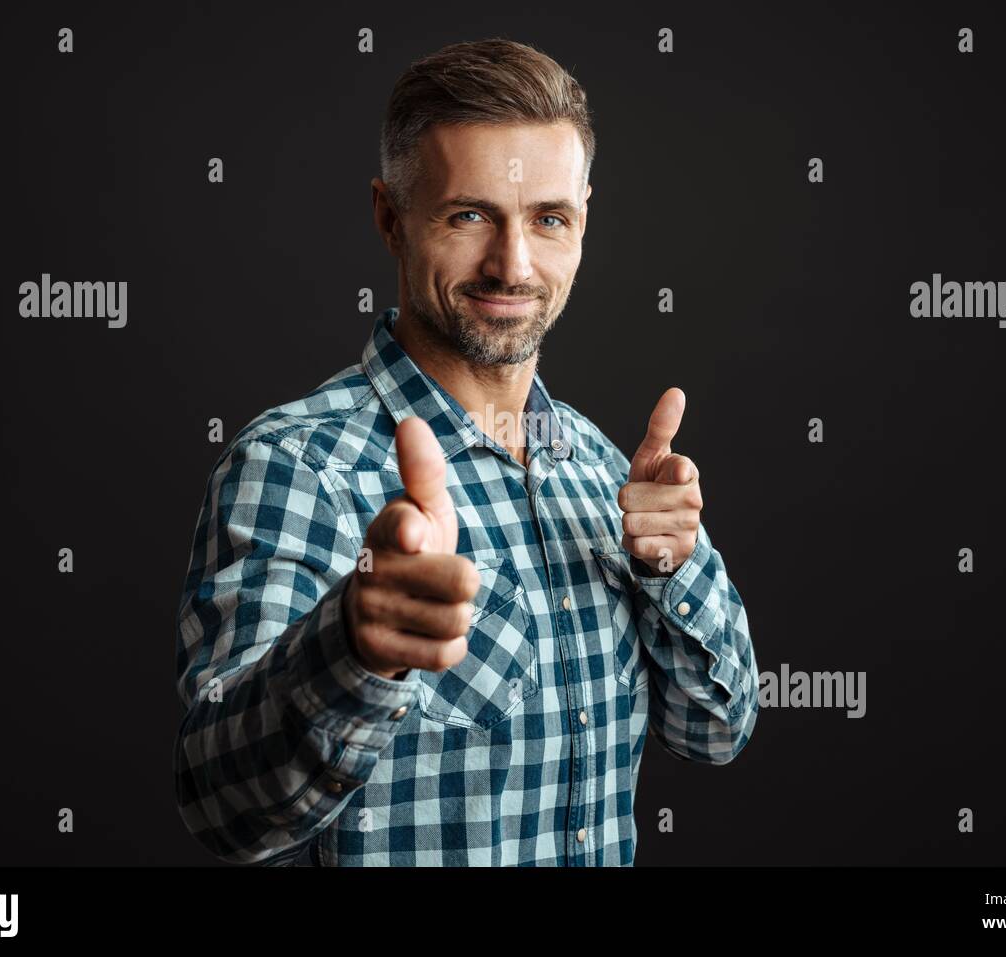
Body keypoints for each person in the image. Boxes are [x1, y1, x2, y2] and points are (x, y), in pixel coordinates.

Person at [173, 37, 758, 866]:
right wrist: (354, 647)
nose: (512, 264)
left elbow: (716, 732)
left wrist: (678, 566)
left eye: (548, 219)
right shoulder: (297, 466)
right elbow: (221, 805)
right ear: (389, 218)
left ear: (584, 221)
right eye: (470, 214)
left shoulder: (603, 469)